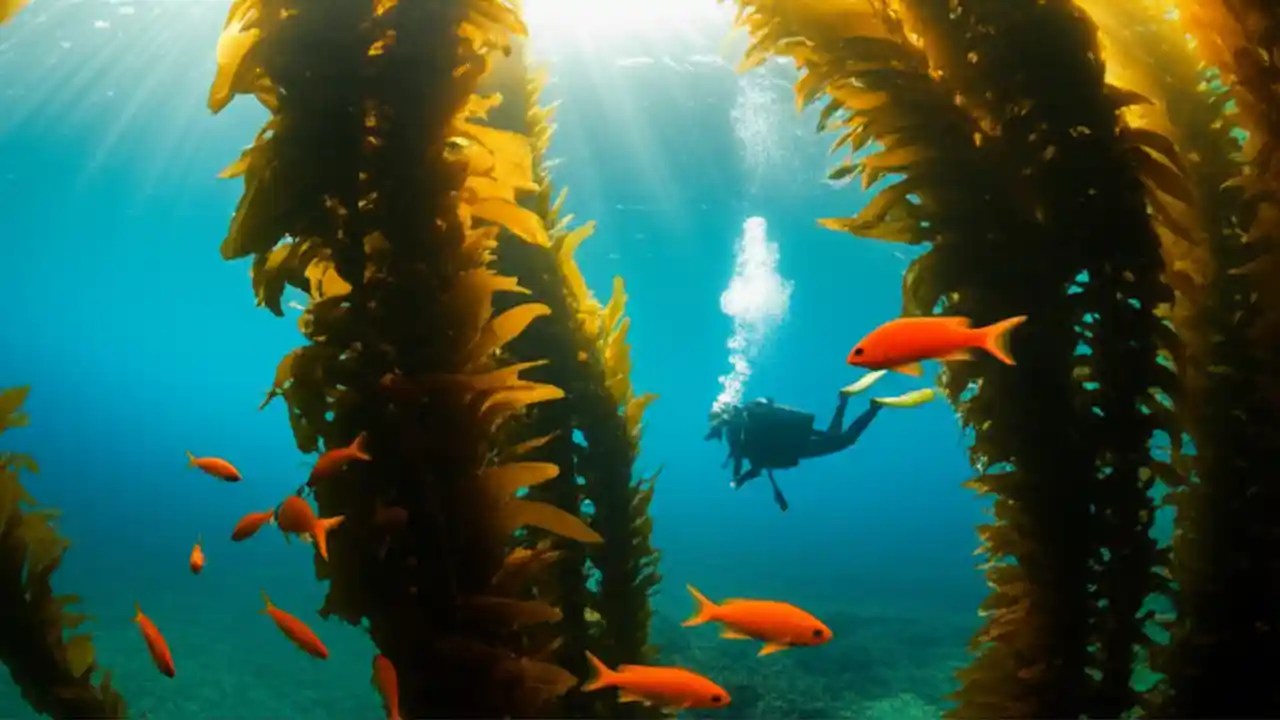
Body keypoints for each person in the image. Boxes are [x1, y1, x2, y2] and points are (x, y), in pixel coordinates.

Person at [706, 374, 929, 512]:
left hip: (795, 447)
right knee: (837, 438)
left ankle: (871, 407)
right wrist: (742, 477)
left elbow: (756, 464)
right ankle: (847, 402)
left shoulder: (737, 435)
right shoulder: (747, 419)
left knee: (844, 440)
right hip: (797, 437)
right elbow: (755, 460)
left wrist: (740, 480)